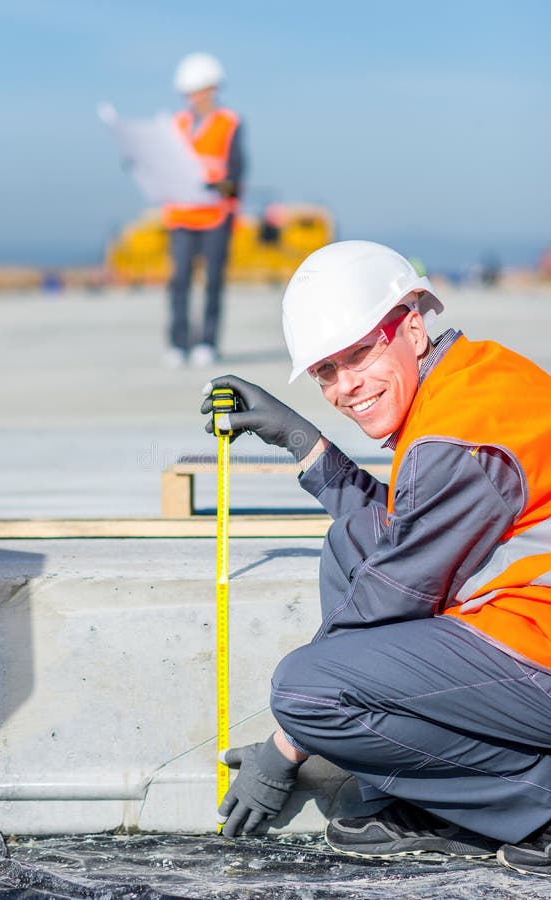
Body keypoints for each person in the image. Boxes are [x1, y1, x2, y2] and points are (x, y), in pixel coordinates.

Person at [200, 240, 551, 877]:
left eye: (360, 354)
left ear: (412, 330)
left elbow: (393, 594)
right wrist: (299, 438)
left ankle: (535, 799)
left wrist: (288, 743)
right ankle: (430, 797)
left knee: (305, 689)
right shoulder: (470, 379)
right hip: (529, 627)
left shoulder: (455, 439)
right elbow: (400, 532)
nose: (346, 387)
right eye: (325, 371)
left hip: (540, 647)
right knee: (349, 546)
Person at [162, 52, 244, 369]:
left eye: (197, 91)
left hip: (215, 216)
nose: (192, 99)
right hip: (180, 214)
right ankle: (178, 343)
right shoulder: (176, 124)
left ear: (212, 88)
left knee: (212, 282)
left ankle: (207, 342)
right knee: (179, 281)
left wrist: (218, 187)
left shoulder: (229, 123)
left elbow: (236, 172)